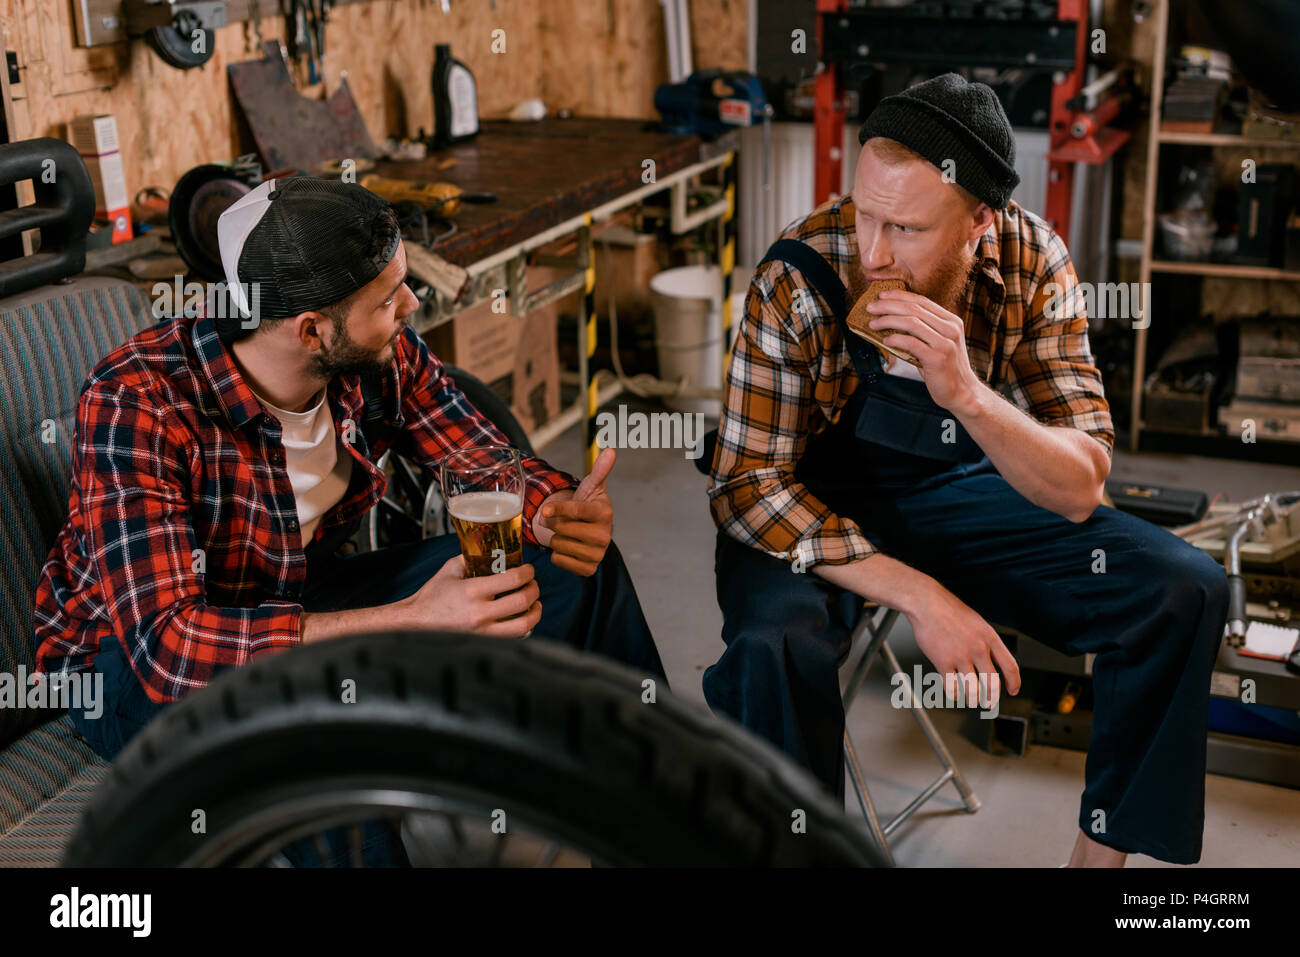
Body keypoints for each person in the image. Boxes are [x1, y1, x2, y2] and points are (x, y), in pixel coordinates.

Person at [33, 176, 666, 864]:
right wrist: (417, 619)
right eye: (389, 297)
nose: (412, 304)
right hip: (132, 667)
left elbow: (473, 448)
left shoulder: (372, 358)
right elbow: (169, 643)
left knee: (576, 571)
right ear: (312, 329)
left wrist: (551, 508)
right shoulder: (136, 401)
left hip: (292, 594)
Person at [705, 74, 1228, 867]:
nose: (874, 254)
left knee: (1181, 587)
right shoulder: (798, 279)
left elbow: (1082, 480)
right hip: (806, 502)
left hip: (945, 491)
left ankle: (1097, 861)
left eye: (907, 229)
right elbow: (746, 488)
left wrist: (970, 396)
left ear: (980, 220)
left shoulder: (1032, 262)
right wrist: (923, 594)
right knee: (775, 642)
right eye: (864, 215)